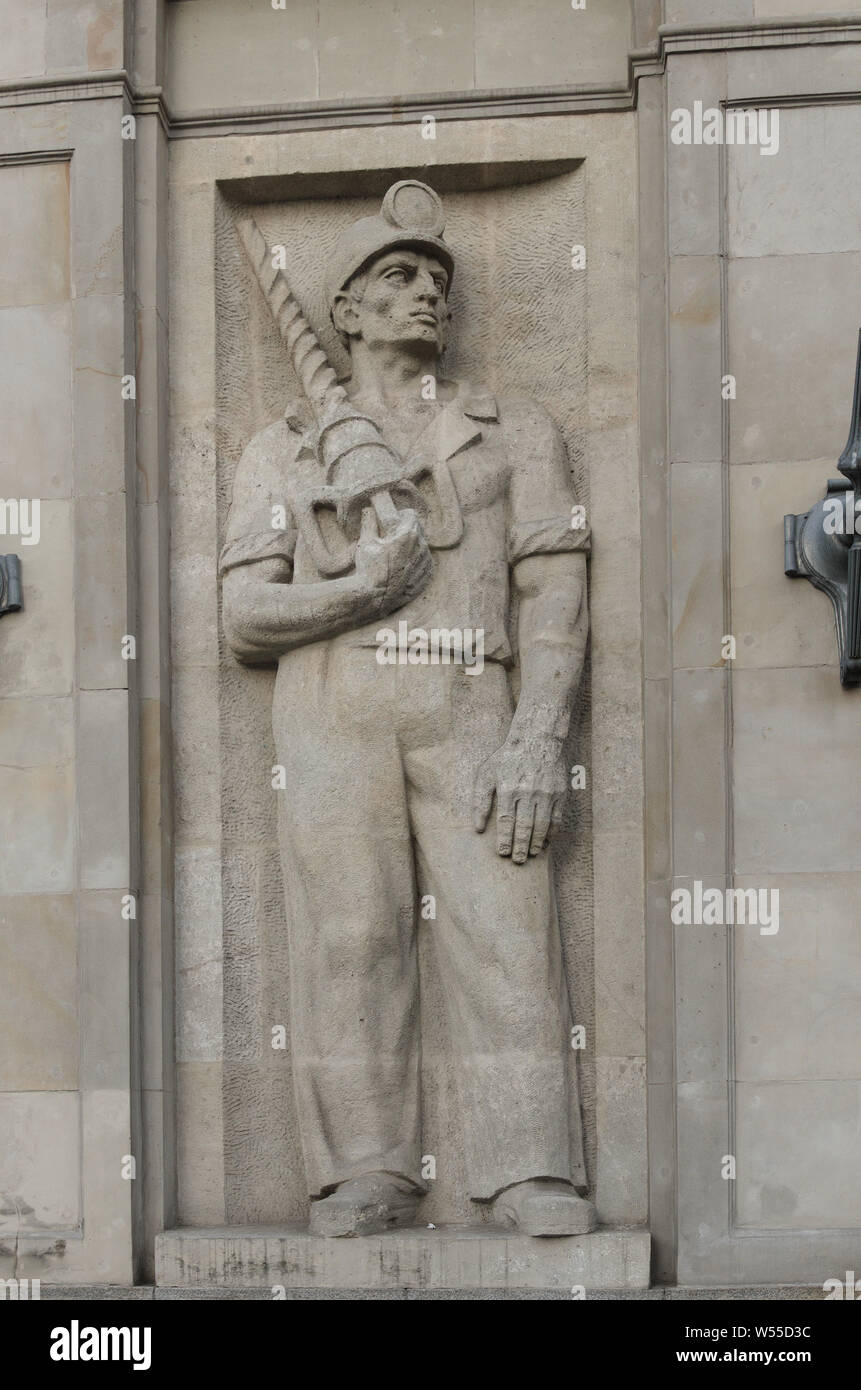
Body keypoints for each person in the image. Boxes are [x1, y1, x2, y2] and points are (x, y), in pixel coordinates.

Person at [220, 181, 594, 1237]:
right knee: (350, 937)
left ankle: (532, 1168)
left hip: (472, 691)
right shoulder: (285, 447)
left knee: (507, 928)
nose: (426, 293)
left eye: (437, 278)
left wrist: (538, 735)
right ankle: (367, 1170)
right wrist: (357, 594)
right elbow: (243, 613)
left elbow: (555, 588)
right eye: (398, 276)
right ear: (346, 309)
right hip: (335, 700)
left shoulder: (511, 427)